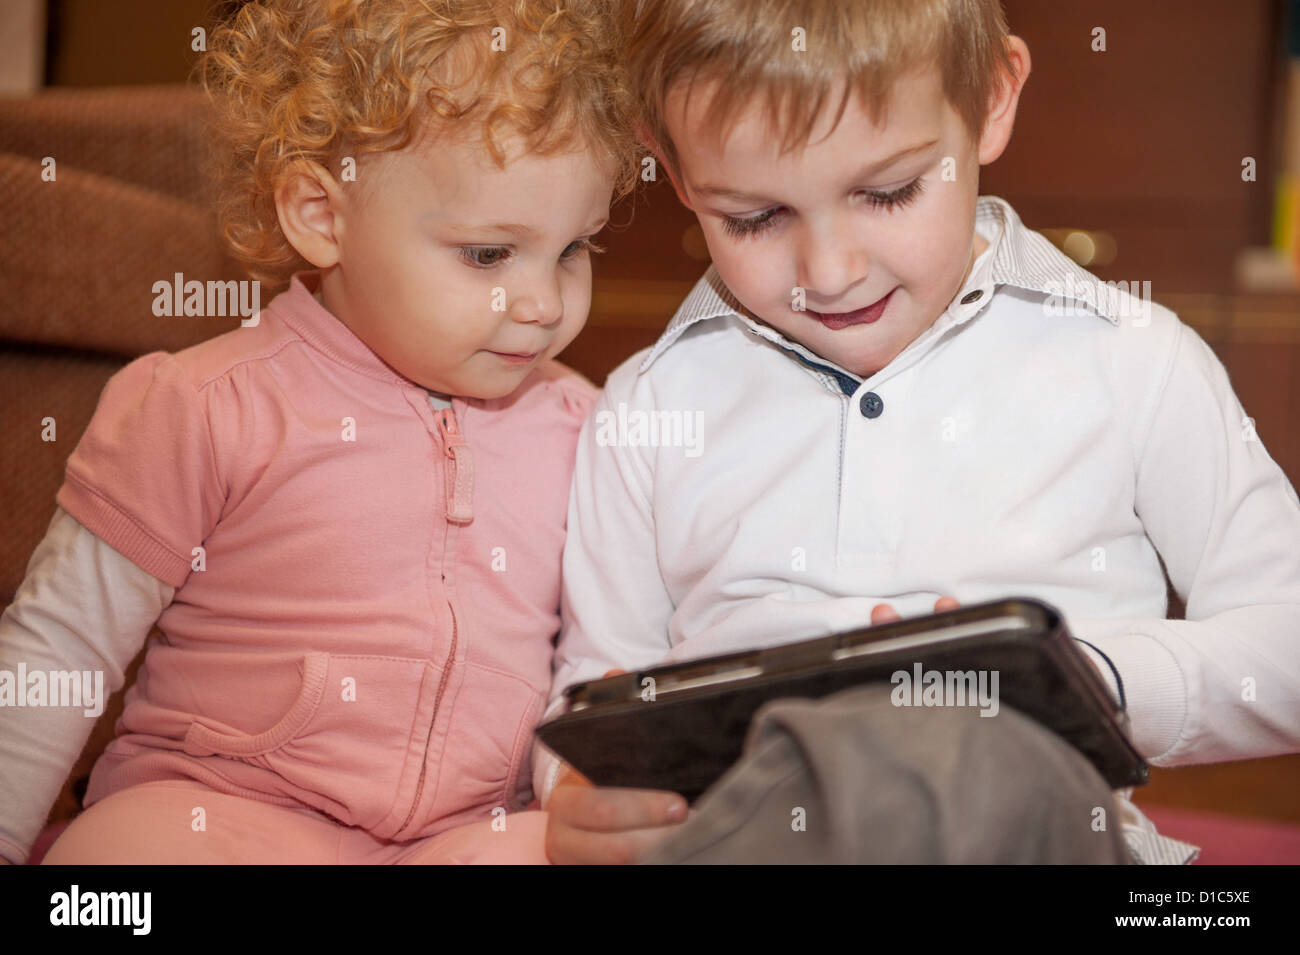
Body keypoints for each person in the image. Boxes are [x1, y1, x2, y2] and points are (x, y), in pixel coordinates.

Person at [538, 0, 1300, 864]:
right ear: (670, 165)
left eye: (888, 191)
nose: (829, 272)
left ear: (993, 99)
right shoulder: (644, 408)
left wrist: (1099, 682)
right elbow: (594, 695)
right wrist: (582, 802)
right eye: (754, 217)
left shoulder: (1132, 359)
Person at [0, 0, 637, 865]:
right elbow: (60, 647)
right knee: (120, 858)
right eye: (489, 254)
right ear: (320, 214)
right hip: (226, 815)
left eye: (574, 250)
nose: (544, 305)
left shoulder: (587, 428)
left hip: (464, 836)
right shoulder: (205, 405)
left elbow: (602, 664)